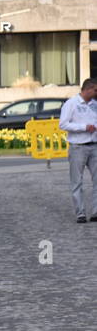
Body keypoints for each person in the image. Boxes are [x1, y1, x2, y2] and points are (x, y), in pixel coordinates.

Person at [59, 77, 97, 223]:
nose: (96, 93)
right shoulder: (71, 103)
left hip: (94, 144)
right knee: (77, 181)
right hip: (78, 146)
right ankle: (80, 212)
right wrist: (83, 127)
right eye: (95, 90)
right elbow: (63, 124)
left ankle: (95, 211)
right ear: (87, 89)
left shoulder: (94, 104)